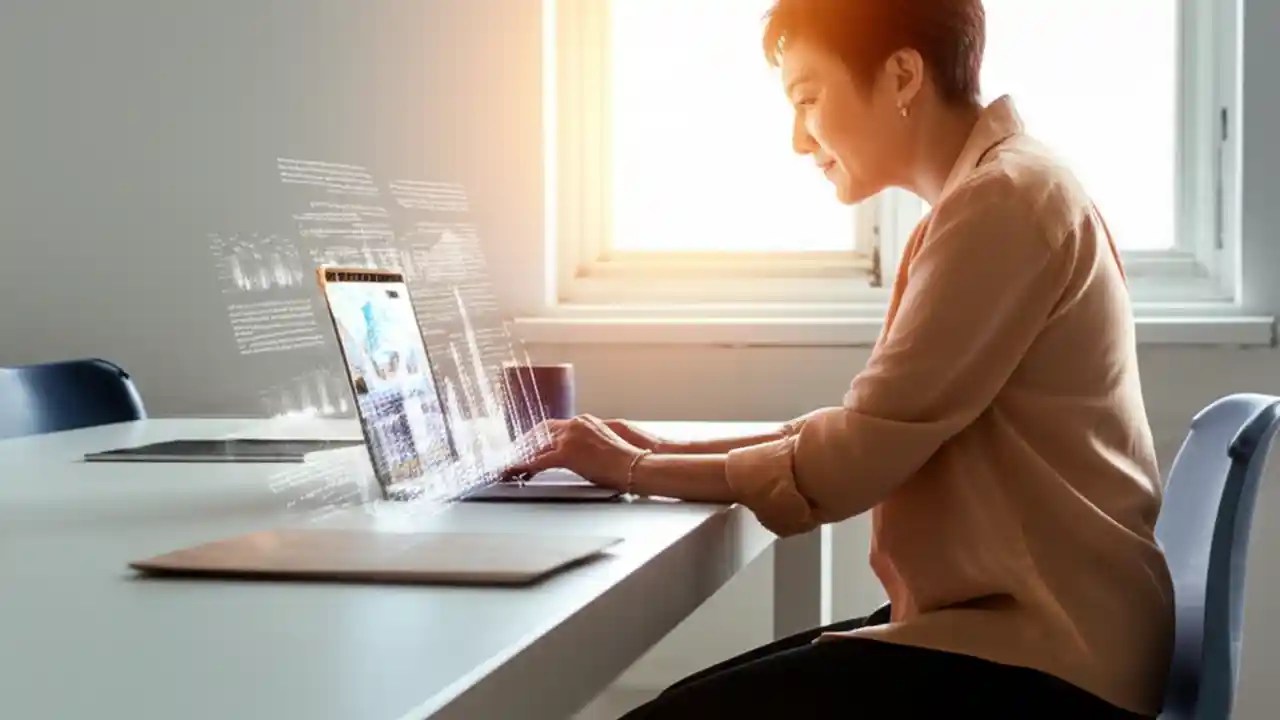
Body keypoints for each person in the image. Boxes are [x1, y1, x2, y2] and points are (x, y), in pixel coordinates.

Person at [507, 0, 1174, 716]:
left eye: (809, 99)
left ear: (902, 75)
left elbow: (852, 460)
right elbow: (871, 427)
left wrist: (640, 468)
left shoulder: (1002, 204)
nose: (799, 139)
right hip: (1031, 637)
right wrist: (661, 447)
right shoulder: (997, 190)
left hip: (1048, 662)